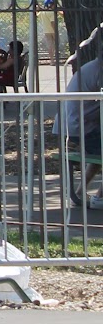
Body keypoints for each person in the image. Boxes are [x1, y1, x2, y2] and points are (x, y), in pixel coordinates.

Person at [60, 49, 103, 209]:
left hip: (76, 125)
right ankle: (99, 197)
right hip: (79, 126)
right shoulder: (99, 71)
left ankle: (79, 192)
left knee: (98, 153)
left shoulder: (92, 67)